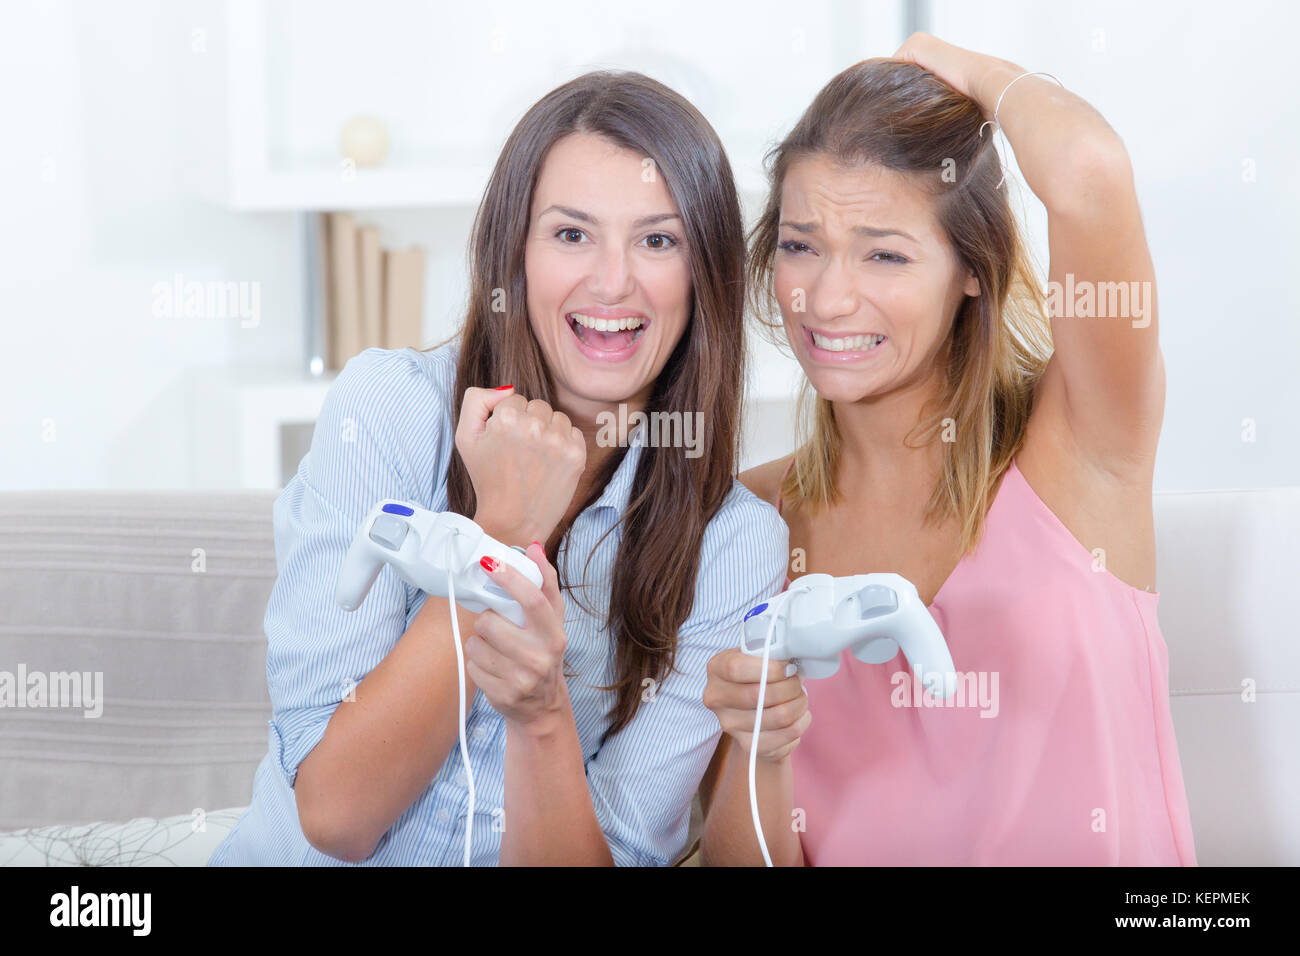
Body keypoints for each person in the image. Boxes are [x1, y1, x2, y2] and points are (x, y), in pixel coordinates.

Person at [209, 70, 787, 866]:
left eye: (658, 240)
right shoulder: (391, 411)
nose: (612, 280)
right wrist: (500, 534)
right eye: (571, 234)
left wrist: (543, 714)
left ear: (703, 275)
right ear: (514, 255)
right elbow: (336, 814)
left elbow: (610, 853)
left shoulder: (733, 549)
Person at [699, 34, 1197, 866]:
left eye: (884, 252)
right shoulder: (746, 523)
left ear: (971, 266)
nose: (826, 296)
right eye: (800, 244)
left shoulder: (1080, 447)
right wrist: (762, 750)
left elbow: (1088, 171)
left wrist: (963, 69)